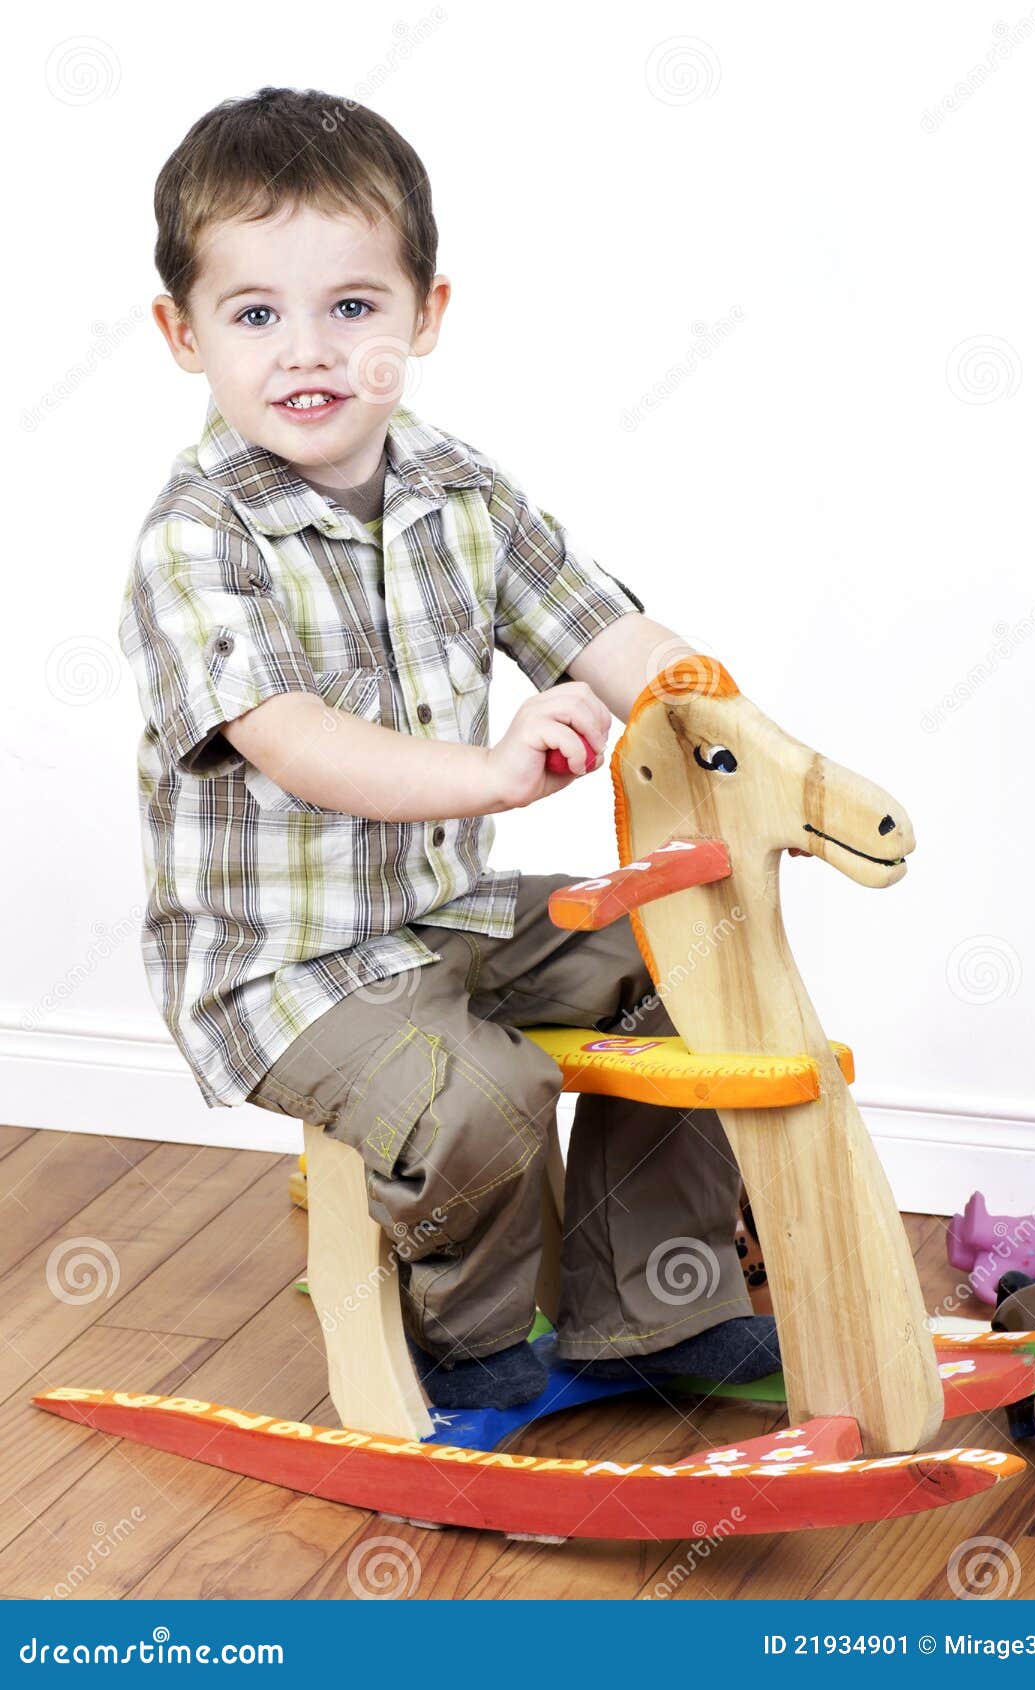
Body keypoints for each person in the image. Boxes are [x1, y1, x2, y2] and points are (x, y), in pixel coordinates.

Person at [118, 85, 779, 1411]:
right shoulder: (197, 541)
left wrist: (728, 722)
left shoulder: (459, 493)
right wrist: (490, 771)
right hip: (281, 969)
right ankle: (466, 1344)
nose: (306, 351)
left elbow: (603, 631)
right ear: (182, 334)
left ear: (426, 315)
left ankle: (653, 1306)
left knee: (688, 956)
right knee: (483, 1091)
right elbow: (295, 742)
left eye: (353, 307)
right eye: (256, 315)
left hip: (446, 912)